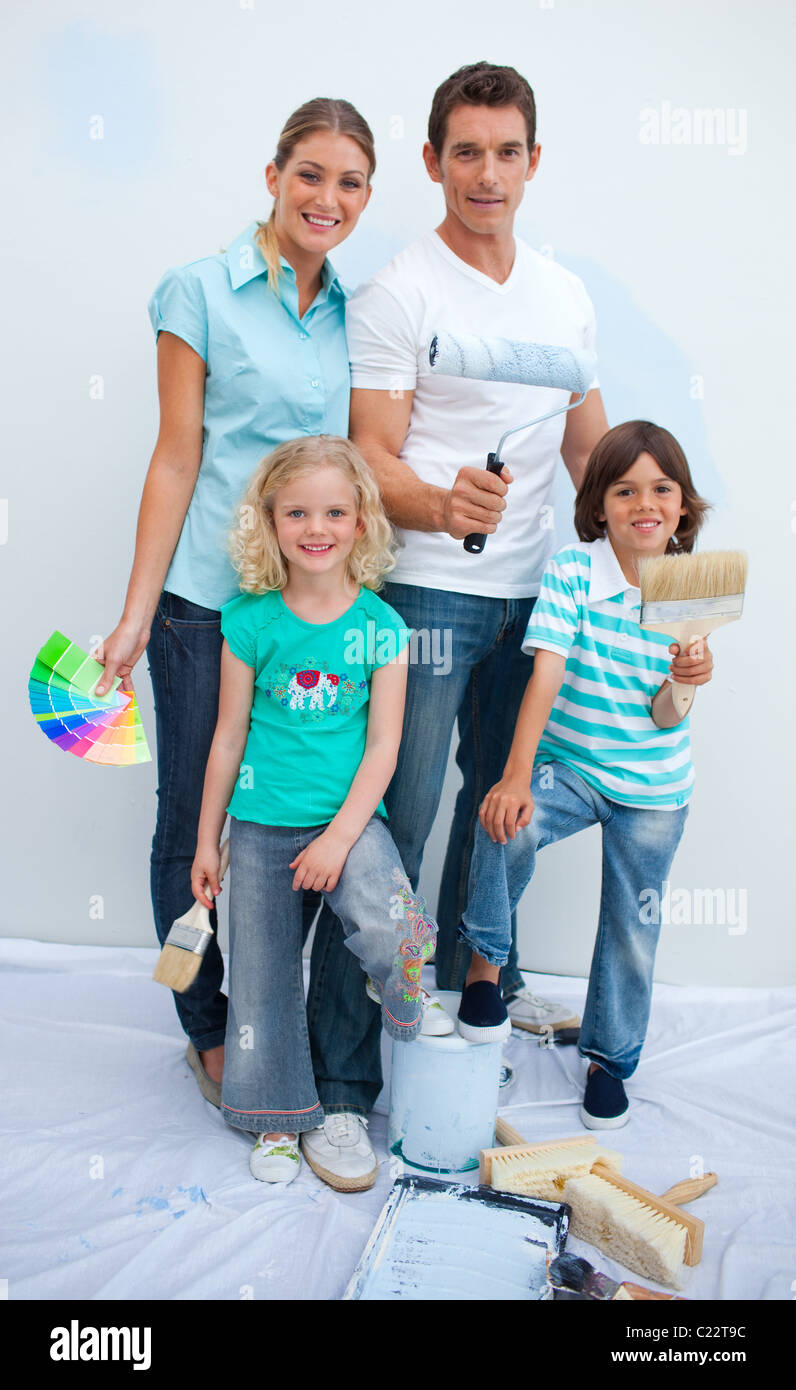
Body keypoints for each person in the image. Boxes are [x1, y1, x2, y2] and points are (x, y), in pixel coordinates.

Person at [306, 61, 609, 1118]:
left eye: (507, 151)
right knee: (397, 816)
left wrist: (649, 565)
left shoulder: (562, 293)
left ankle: (467, 1005)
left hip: (537, 607)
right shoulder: (401, 289)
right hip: (427, 597)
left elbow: (590, 452)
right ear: (434, 162)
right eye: (466, 152)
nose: (487, 174)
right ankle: (345, 1076)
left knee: (500, 812)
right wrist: (441, 505)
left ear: (534, 162)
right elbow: (368, 452)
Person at [92, 98, 377, 1126]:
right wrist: (134, 614)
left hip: (316, 612)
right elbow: (176, 456)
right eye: (310, 175)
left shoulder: (358, 310)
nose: (327, 198)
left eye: (349, 182)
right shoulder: (199, 291)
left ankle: (273, 1016)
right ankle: (208, 1025)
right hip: (210, 608)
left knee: (295, 811)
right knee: (196, 815)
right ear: (272, 175)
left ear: (367, 195)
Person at [189, 435, 436, 1185]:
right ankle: (274, 1117)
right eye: (296, 512)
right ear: (270, 522)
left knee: (394, 924)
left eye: (334, 511)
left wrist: (339, 839)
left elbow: (385, 748)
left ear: (361, 521)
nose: (316, 527)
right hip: (262, 827)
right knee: (261, 975)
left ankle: (388, 997)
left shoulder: (383, 628)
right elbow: (228, 739)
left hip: (350, 823)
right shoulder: (251, 621)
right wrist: (210, 840)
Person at [457, 420, 714, 1128]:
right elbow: (546, 673)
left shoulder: (687, 586)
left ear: (682, 505)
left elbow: (666, 717)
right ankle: (485, 968)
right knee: (506, 823)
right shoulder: (573, 570)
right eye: (624, 489)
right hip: (571, 766)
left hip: (655, 789)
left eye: (661, 488)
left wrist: (686, 680)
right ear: (598, 504)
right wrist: (515, 776)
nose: (645, 504)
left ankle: (609, 1059)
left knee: (633, 925)